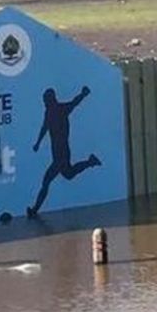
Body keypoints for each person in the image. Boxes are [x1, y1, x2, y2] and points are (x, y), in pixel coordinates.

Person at [28, 86, 101, 217]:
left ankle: (34, 210)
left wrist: (83, 94)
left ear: (51, 100)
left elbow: (74, 103)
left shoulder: (61, 109)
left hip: (62, 153)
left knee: (47, 181)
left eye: (45, 100)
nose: (44, 103)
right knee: (68, 174)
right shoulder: (48, 112)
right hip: (57, 153)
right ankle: (90, 162)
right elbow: (44, 128)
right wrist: (38, 143)